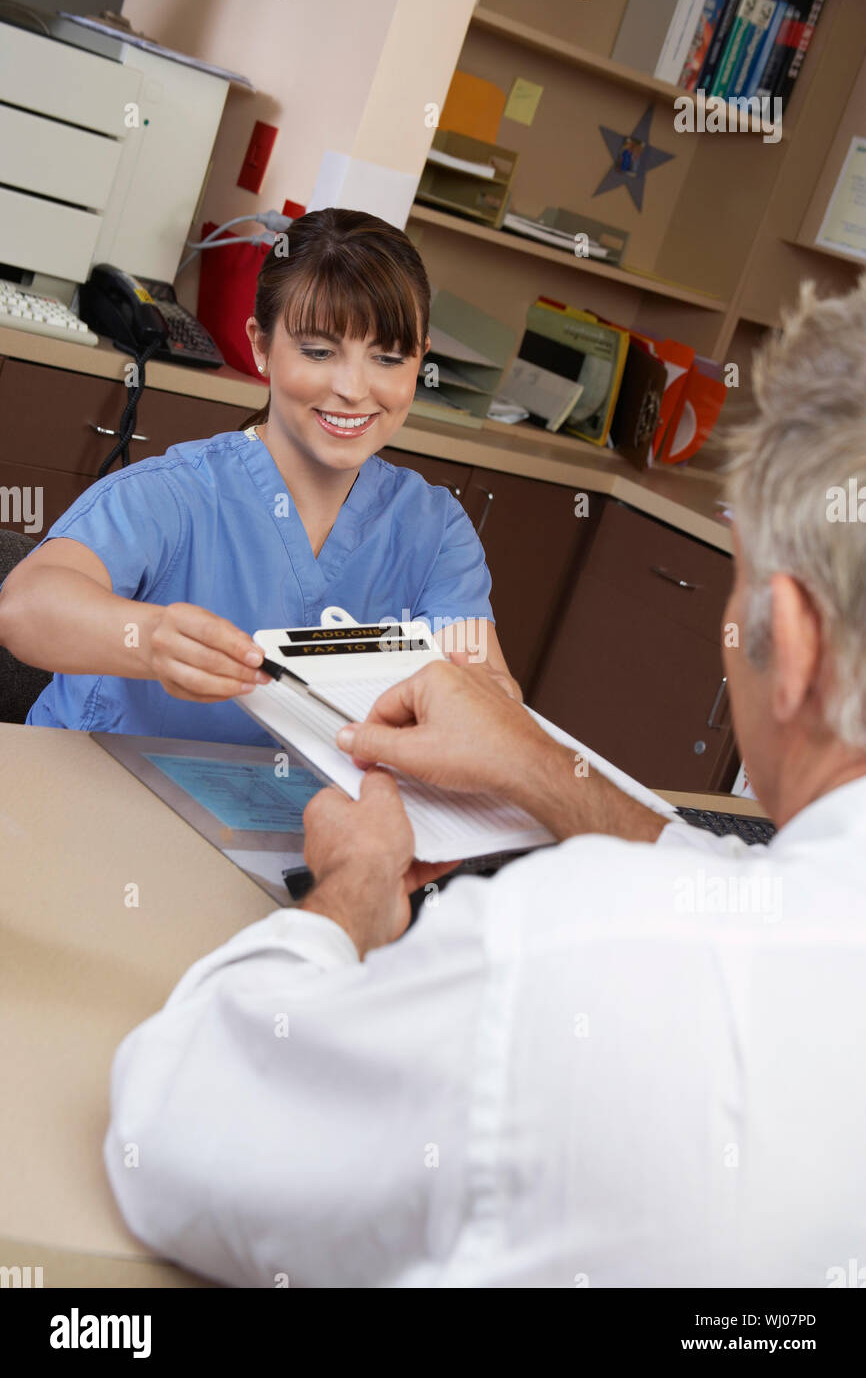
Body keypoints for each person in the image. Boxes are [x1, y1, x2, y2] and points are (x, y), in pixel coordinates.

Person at [104, 275, 866, 1287]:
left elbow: (178, 1126)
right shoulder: (182, 483)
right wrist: (526, 759)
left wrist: (350, 894)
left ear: (797, 645)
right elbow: (737, 886)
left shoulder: (570, 952)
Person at [0, 209, 515, 745]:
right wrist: (151, 639)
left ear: (419, 361)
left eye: (388, 358)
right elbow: (25, 605)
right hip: (94, 798)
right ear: (262, 346)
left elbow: (483, 679)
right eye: (318, 352)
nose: (354, 388)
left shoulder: (434, 530)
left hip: (292, 818)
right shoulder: (175, 494)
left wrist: (481, 705)